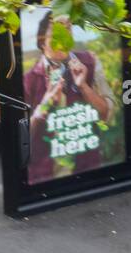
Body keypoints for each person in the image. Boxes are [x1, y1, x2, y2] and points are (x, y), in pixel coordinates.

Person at [23, 11, 115, 184]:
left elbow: (106, 114)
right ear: (42, 41)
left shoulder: (90, 62)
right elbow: (20, 137)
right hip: (44, 178)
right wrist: (44, 106)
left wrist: (84, 87)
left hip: (87, 171)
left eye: (68, 31)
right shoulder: (29, 80)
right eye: (57, 32)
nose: (63, 38)